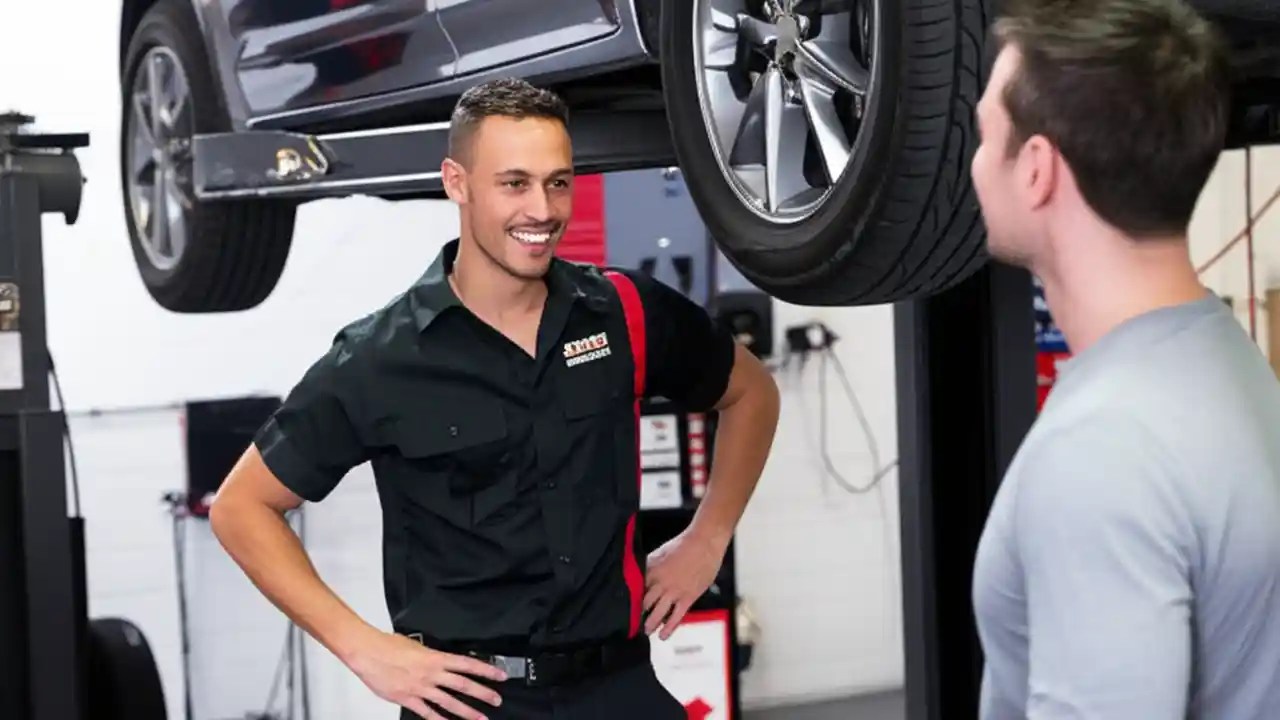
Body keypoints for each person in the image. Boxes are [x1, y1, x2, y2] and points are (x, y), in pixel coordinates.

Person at [209, 78, 781, 720]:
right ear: (457, 183)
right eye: (514, 183)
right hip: (468, 701)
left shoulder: (625, 311)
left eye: (558, 182)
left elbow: (751, 393)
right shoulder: (381, 357)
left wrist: (708, 536)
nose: (542, 209)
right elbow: (242, 507)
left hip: (619, 685)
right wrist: (362, 648)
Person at [968, 0, 1280, 718]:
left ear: (1037, 170)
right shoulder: (1226, 357)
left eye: (986, 138)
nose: (976, 165)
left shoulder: (1099, 453)